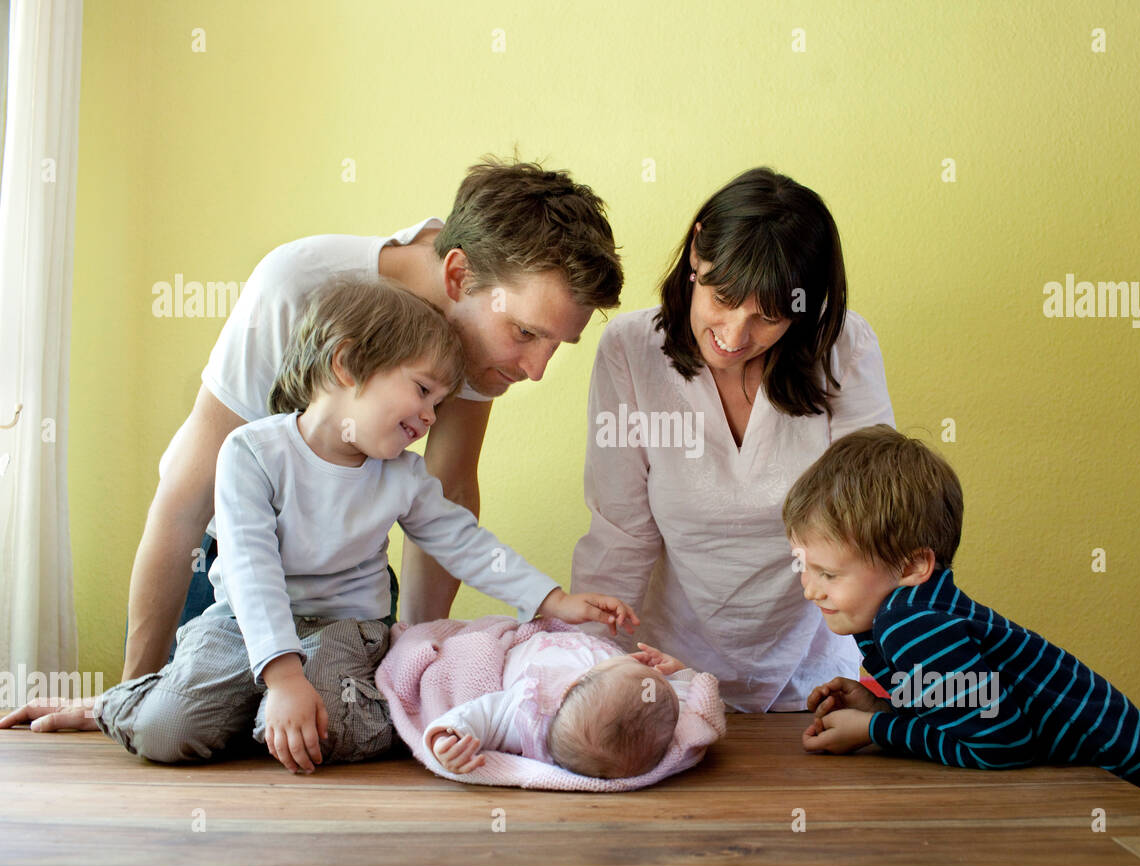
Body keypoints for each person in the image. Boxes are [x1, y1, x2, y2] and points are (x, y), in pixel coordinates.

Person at [2, 157, 622, 732]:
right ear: (458, 276)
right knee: (182, 726)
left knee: (326, 734)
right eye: (524, 334)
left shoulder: (484, 341)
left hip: (343, 603)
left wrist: (416, 668)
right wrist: (130, 694)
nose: (536, 369)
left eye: (553, 346)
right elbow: (185, 500)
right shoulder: (296, 286)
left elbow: (449, 499)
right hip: (235, 581)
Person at [94, 277, 636, 773]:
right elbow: (249, 565)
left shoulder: (401, 475)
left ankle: (263, 716)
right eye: (422, 391)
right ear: (346, 364)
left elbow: (465, 544)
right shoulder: (253, 452)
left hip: (345, 631)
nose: (429, 418)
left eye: (439, 404)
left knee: (338, 730)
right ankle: (131, 704)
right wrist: (282, 675)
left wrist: (551, 599)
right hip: (240, 622)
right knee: (166, 732)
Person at [570, 168, 894, 712]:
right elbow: (620, 534)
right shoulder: (630, 349)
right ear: (697, 251)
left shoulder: (845, 348)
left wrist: (892, 684)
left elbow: (874, 528)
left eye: (767, 317)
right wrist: (593, 672)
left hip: (812, 683)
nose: (735, 336)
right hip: (661, 675)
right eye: (723, 297)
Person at [786, 424, 1140, 814]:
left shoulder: (909, 624)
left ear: (912, 566)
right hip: (1106, 784)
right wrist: (882, 708)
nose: (810, 588)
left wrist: (874, 730)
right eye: (804, 566)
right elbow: (959, 717)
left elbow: (1000, 746)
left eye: (829, 574)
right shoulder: (904, 612)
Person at [429, 635, 695, 779]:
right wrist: (679, 673)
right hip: (573, 640)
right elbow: (686, 701)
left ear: (570, 686)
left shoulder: (529, 706)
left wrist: (446, 738)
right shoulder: (660, 721)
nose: (643, 664)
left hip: (524, 646)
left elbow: (481, 714)